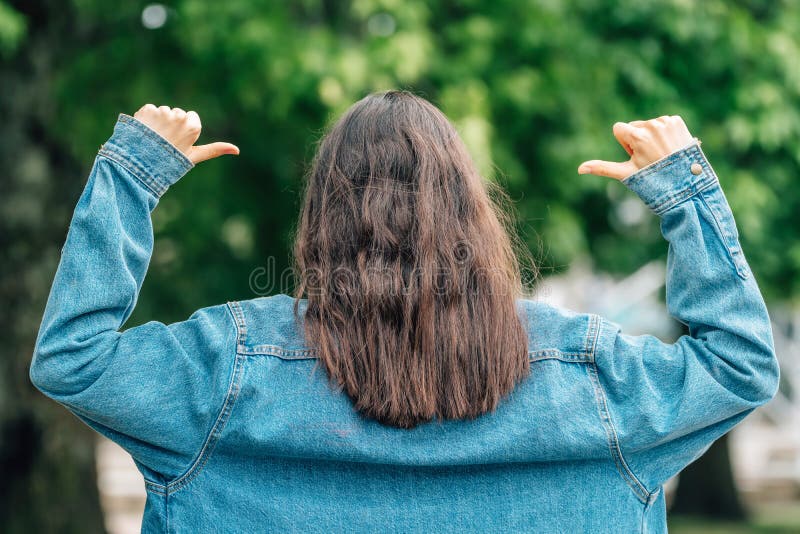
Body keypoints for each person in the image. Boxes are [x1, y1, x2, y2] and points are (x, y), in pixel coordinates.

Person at [30, 92, 779, 533]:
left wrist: (133, 173)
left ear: (321, 216)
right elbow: (740, 365)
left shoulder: (230, 369)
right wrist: (683, 189)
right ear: (472, 215)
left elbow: (74, 358)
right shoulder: (588, 377)